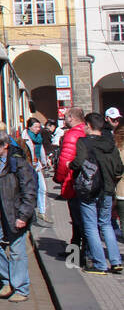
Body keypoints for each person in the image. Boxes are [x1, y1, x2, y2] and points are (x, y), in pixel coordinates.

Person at [0, 131, 38, 301]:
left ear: (5, 146)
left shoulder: (18, 163)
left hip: (14, 212)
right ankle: (9, 279)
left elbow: (29, 191)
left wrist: (23, 216)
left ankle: (21, 289)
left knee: (17, 251)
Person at [70, 112, 124, 274]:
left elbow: (78, 162)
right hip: (107, 189)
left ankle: (100, 264)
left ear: (89, 126)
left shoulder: (83, 142)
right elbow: (118, 169)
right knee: (106, 224)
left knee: (91, 227)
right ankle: (115, 261)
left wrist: (70, 165)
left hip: (89, 189)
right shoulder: (110, 143)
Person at [56, 107, 88, 253]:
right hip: (89, 182)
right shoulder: (87, 131)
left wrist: (59, 178)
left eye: (66, 117)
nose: (64, 120)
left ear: (71, 118)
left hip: (73, 181)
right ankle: (78, 251)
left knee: (77, 220)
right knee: (84, 219)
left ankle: (79, 254)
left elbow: (65, 160)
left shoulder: (72, 135)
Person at [21, 116, 51, 227]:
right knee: (30, 190)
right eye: (36, 127)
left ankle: (42, 212)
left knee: (43, 188)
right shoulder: (24, 138)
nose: (38, 129)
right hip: (28, 166)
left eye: (39, 126)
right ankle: (30, 214)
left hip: (37, 165)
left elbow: (41, 149)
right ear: (29, 128)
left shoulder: (38, 137)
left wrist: (44, 161)